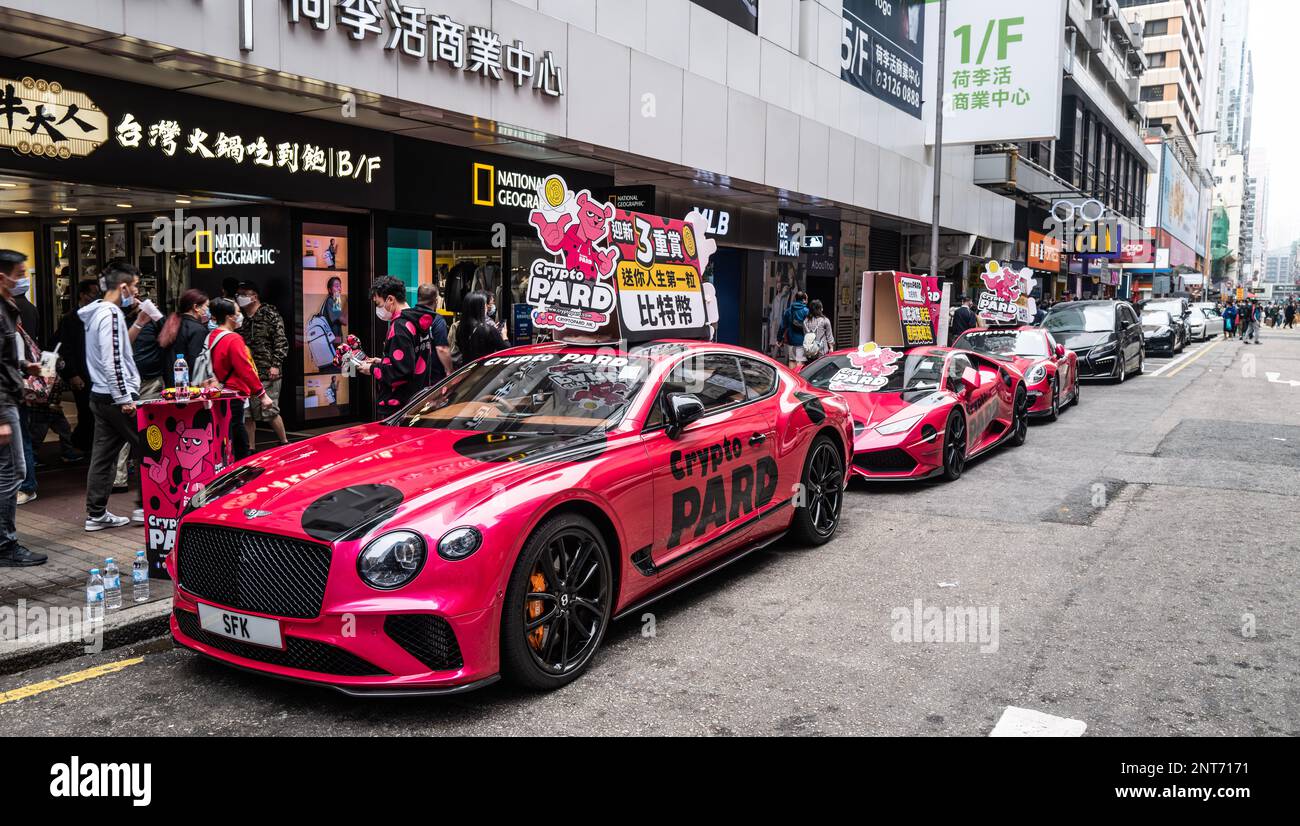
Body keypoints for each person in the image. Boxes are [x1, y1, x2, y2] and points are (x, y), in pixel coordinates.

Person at [81, 259, 149, 532]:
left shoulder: (96, 313)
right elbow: (113, 362)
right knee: (148, 447)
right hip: (116, 397)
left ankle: (96, 514)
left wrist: (139, 323)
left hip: (100, 395)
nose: (136, 291)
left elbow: (118, 351)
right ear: (123, 287)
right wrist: (125, 399)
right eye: (135, 286)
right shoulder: (110, 314)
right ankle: (146, 507)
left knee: (103, 456)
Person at [0, 251, 45, 565]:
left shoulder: (7, 308)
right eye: (18, 274)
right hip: (3, 403)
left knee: (11, 471)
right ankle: (5, 545)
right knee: (12, 471)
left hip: (8, 398)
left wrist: (24, 366)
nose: (22, 280)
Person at [202, 298, 271, 460]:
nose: (240, 316)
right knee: (238, 434)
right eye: (238, 312)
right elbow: (245, 369)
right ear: (229, 317)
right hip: (233, 394)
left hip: (218, 393)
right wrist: (262, 395)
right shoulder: (233, 339)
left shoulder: (211, 336)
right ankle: (242, 466)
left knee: (223, 433)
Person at [361, 276, 440, 410]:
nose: (378, 309)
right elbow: (411, 360)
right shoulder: (416, 321)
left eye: (378, 304)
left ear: (390, 299)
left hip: (399, 404)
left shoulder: (400, 326)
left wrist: (372, 369)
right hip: (416, 398)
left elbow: (401, 372)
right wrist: (383, 361)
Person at [235, 281, 289, 453]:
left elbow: (281, 341)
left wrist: (276, 365)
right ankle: (250, 449)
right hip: (248, 373)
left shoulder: (269, 314)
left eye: (244, 294)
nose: (240, 297)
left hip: (268, 372)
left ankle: (284, 443)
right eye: (238, 294)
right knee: (248, 414)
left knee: (270, 411)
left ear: (254, 296)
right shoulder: (241, 319)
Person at [53, 279, 100, 453]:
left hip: (97, 371)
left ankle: (85, 442)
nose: (96, 297)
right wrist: (72, 374)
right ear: (82, 294)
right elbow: (66, 348)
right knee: (86, 410)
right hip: (81, 372)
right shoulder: (71, 319)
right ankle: (84, 444)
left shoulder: (98, 315)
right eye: (93, 293)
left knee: (95, 411)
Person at [158, 289, 211, 374]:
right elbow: (195, 361)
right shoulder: (198, 329)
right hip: (186, 378)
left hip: (170, 375)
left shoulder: (172, 322)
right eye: (207, 306)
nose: (207, 310)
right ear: (196, 307)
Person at [453, 290, 508, 367]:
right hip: (485, 370)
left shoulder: (460, 328)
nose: (487, 307)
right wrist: (504, 336)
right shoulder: (489, 330)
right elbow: (506, 352)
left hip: (467, 369)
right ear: (480, 308)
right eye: (484, 304)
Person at [417, 283, 453, 383]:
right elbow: (442, 349)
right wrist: (450, 370)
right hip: (432, 375)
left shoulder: (408, 316)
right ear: (436, 301)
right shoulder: (437, 320)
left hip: (413, 373)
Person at [778, 291, 810, 368]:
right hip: (802, 340)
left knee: (792, 361)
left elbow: (782, 326)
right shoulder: (806, 311)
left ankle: (791, 375)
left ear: (795, 298)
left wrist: (779, 338)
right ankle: (798, 375)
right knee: (800, 361)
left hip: (791, 340)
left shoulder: (788, 310)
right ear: (803, 300)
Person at [320, 276, 347, 341]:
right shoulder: (332, 300)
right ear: (329, 289)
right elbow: (344, 321)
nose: (339, 288)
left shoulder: (334, 299)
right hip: (334, 339)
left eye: (340, 286)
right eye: (336, 286)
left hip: (333, 338)